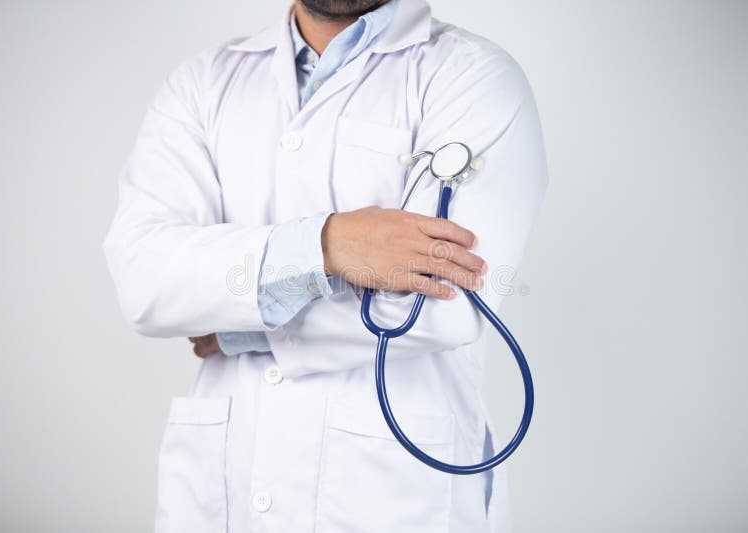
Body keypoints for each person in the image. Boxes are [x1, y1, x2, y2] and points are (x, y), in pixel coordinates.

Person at [103, 0, 548, 530]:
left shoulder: (472, 77)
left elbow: (447, 304)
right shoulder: (202, 84)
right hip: (222, 485)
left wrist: (238, 327)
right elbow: (143, 277)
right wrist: (327, 244)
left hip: (391, 493)